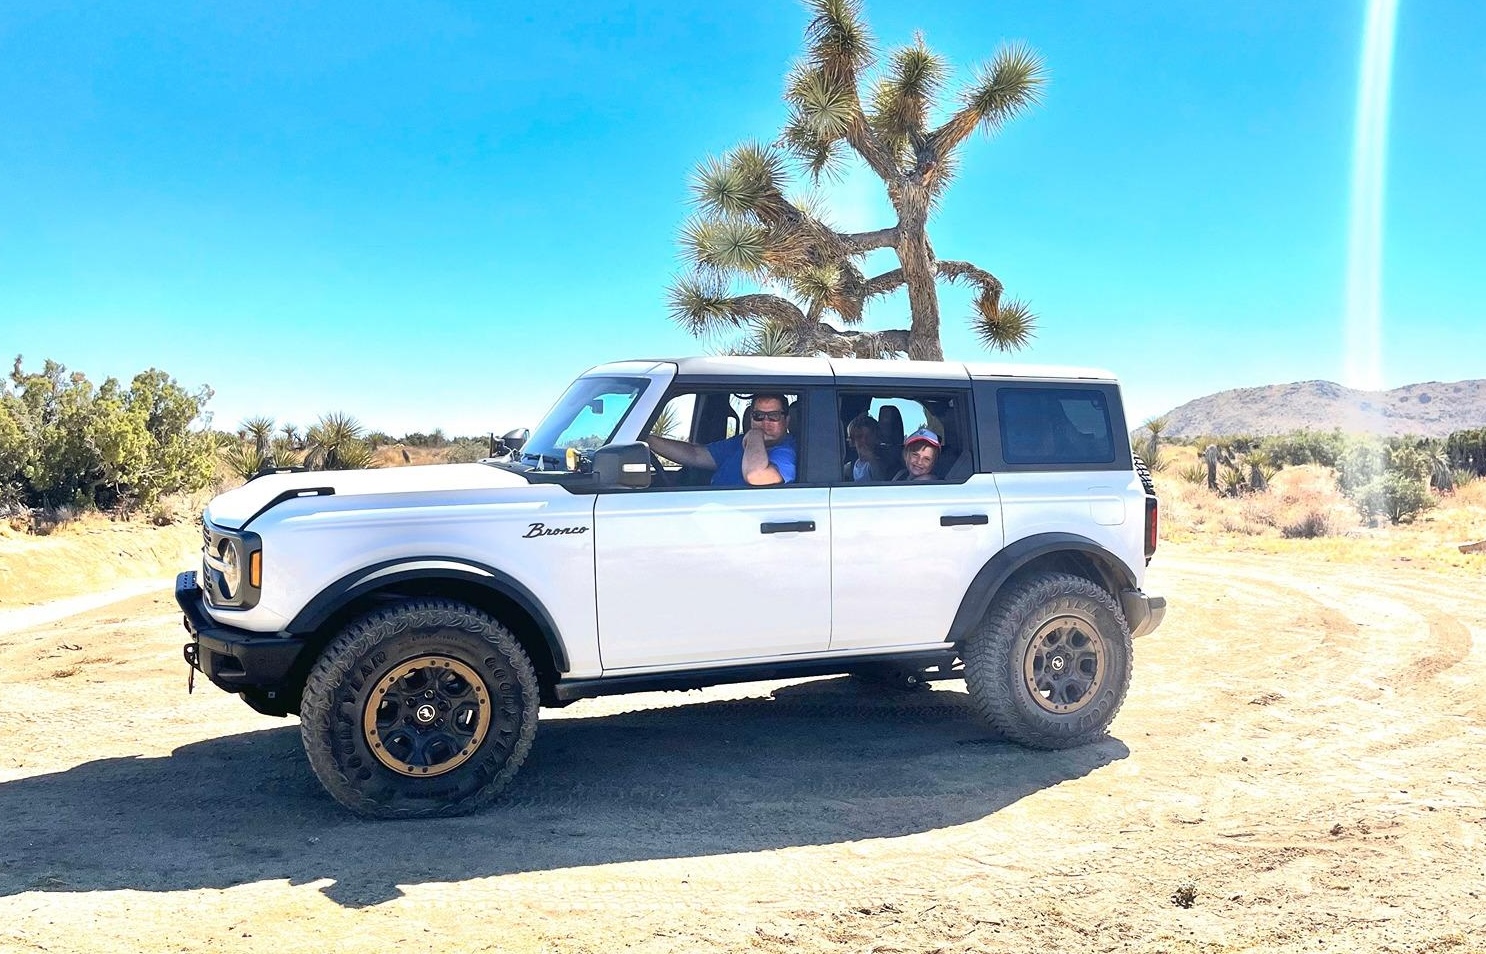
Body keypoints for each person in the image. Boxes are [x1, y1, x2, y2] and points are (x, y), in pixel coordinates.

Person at [643, 393, 796, 486]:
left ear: (786, 420)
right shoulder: (741, 442)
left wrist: (755, 434)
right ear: (751, 417)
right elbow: (696, 454)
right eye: (758, 416)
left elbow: (756, 476)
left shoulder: (788, 452)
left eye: (774, 416)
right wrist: (648, 440)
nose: (765, 422)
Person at [844, 412, 893, 481]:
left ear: (876, 438)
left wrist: (872, 459)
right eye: (859, 436)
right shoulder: (851, 466)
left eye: (869, 436)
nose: (864, 440)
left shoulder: (882, 463)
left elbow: (880, 480)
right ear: (852, 441)